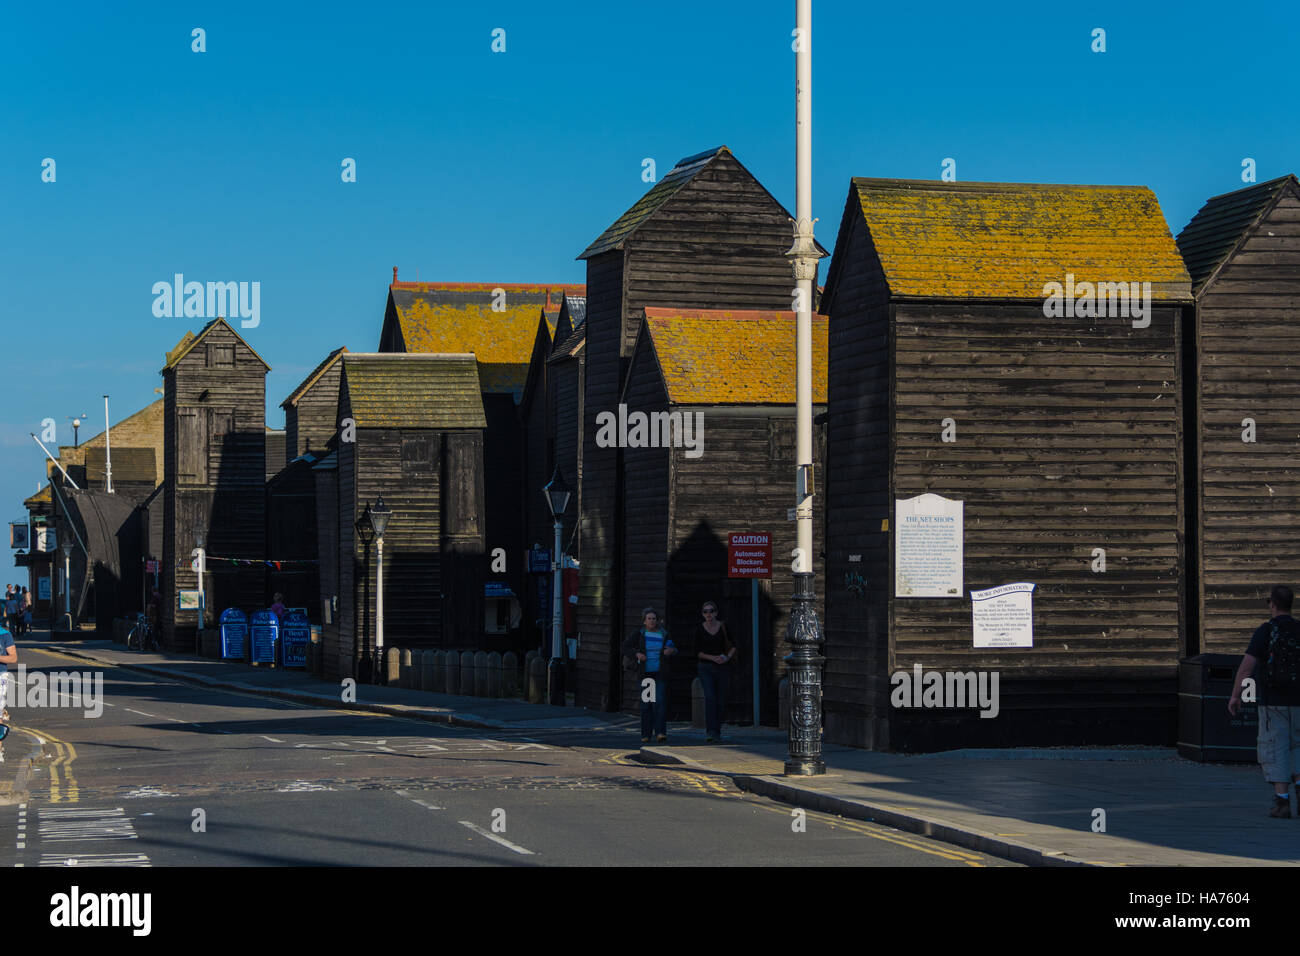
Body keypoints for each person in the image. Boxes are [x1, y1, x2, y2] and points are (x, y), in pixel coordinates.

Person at [1229, 585, 1300, 817]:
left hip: (1273, 701)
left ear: (1272, 604)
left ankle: (1282, 801)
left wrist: (1236, 695)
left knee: (1275, 747)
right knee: (1298, 745)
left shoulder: (1266, 631)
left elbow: (1247, 667)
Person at [623, 607, 676, 744]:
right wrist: (637, 654)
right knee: (646, 704)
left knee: (659, 702)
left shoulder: (664, 634)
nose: (652, 621)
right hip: (645, 673)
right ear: (644, 621)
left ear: (657, 621)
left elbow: (674, 649)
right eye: (649, 619)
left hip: (659, 673)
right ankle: (646, 734)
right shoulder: (639, 634)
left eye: (654, 618)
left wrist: (670, 651)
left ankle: (660, 733)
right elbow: (625, 647)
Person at [695, 600, 735, 742]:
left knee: (721, 700)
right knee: (710, 698)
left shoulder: (723, 626)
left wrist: (726, 657)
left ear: (716, 613)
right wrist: (712, 658)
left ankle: (717, 729)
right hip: (706, 667)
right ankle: (711, 732)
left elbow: (733, 645)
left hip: (722, 666)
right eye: (705, 611)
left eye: (711, 611)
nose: (708, 614)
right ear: (702, 614)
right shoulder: (699, 629)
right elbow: (697, 652)